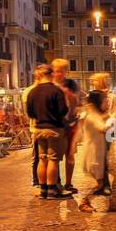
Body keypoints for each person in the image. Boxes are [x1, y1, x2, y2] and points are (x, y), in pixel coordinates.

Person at [25, 64, 69, 199]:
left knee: (42, 159)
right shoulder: (56, 91)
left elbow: (30, 113)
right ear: (51, 74)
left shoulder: (32, 92)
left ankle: (42, 189)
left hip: (39, 129)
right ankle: (52, 189)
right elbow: (63, 111)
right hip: (54, 129)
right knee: (53, 160)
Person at [74, 89, 115, 212]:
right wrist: (115, 114)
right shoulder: (91, 115)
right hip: (93, 155)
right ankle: (84, 200)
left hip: (97, 154)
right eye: (105, 101)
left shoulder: (93, 114)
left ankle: (112, 204)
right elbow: (104, 128)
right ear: (98, 102)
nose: (107, 103)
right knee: (100, 184)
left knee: (104, 183)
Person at [51, 58, 81, 195]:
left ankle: (68, 183)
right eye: (57, 71)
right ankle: (56, 182)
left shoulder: (71, 84)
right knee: (55, 156)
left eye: (62, 71)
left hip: (71, 123)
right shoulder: (49, 85)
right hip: (56, 124)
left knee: (70, 155)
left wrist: (68, 94)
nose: (59, 74)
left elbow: (77, 101)